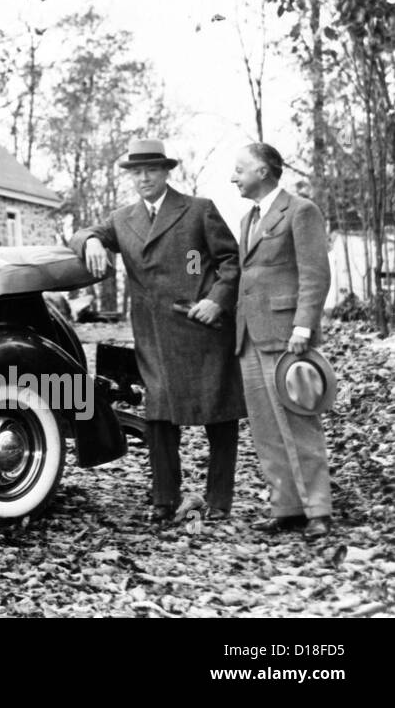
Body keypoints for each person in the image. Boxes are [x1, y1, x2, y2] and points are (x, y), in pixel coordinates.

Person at [70, 138, 244, 525]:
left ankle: (219, 500)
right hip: (156, 336)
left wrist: (217, 299)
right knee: (159, 416)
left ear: (167, 172)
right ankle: (164, 499)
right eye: (137, 172)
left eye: (151, 170)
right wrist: (94, 241)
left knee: (219, 414)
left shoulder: (198, 210)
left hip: (205, 329)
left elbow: (230, 262)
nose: (144, 178)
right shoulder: (121, 219)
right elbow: (79, 234)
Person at [230, 142, 333, 540]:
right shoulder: (246, 220)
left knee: (298, 423)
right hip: (249, 338)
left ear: (264, 170)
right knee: (266, 428)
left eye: (240, 169)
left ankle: (318, 511)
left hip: (288, 337)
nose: (233, 177)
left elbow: (315, 273)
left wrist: (303, 327)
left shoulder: (301, 210)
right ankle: (286, 507)